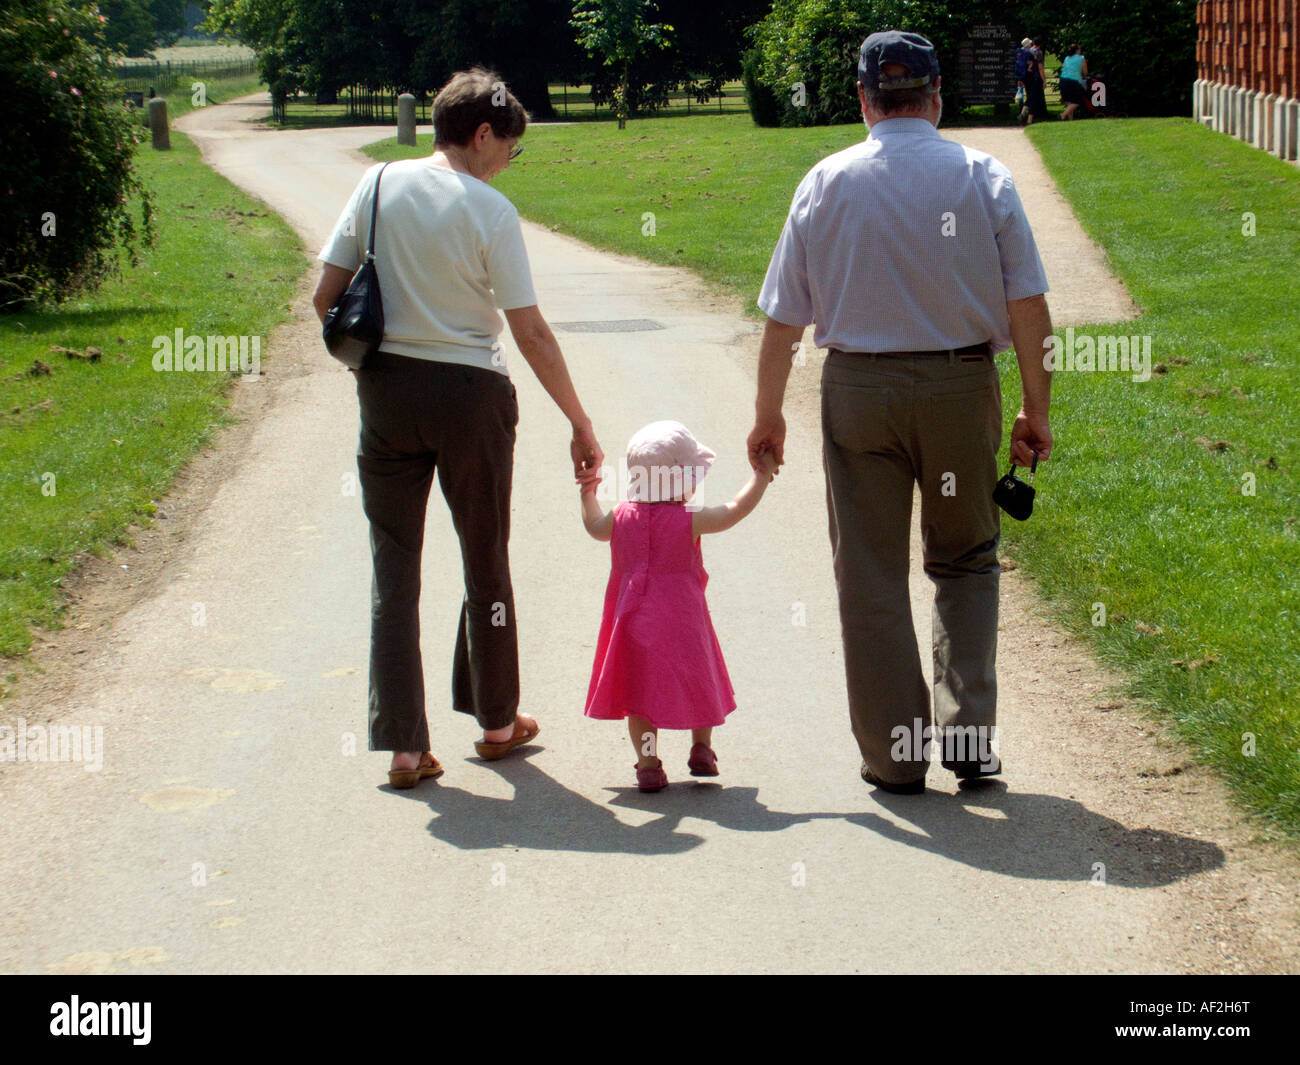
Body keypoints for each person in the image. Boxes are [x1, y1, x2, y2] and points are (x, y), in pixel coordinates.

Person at [748, 30, 1055, 795]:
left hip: (859, 390)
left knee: (872, 574)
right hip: (959, 386)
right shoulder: (984, 176)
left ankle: (897, 754)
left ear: (863, 100)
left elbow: (784, 319)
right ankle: (969, 738)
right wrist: (1035, 408)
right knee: (965, 558)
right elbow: (1028, 305)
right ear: (937, 95)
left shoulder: (825, 180)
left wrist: (768, 414)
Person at [312, 68, 604, 789]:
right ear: (482, 135)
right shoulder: (490, 210)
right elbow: (529, 329)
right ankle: (497, 722)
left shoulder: (376, 184)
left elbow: (325, 297)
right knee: (485, 556)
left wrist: (380, 374)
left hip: (385, 391)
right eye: (510, 147)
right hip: (472, 396)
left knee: (393, 568)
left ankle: (405, 747)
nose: (509, 162)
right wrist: (578, 418)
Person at [580, 421, 777, 792]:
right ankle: (701, 748)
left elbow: (593, 525)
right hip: (684, 621)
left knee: (638, 694)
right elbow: (733, 510)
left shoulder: (621, 517)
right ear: (683, 479)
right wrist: (762, 476)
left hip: (633, 623)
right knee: (698, 680)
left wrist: (588, 492)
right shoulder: (689, 519)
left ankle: (649, 764)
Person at [1058, 44, 1088, 119]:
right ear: (1077, 50)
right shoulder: (1081, 58)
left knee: (1069, 102)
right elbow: (1085, 72)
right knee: (1078, 101)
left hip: (1063, 80)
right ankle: (1063, 114)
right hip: (1074, 81)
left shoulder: (1066, 58)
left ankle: (1070, 121)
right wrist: (1084, 77)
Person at [1023, 38, 1048, 123]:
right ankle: (1029, 119)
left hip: (1027, 77)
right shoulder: (1038, 52)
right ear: (1040, 45)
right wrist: (1044, 80)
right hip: (1035, 77)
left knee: (1030, 96)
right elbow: (1040, 68)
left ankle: (1023, 112)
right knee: (1034, 98)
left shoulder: (1027, 51)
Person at [1014, 37, 1034, 123]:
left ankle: (1023, 113)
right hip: (1028, 76)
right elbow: (1030, 64)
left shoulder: (1019, 52)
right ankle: (1023, 114)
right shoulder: (1029, 53)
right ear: (1028, 45)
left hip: (1021, 76)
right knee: (1031, 95)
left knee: (1028, 95)